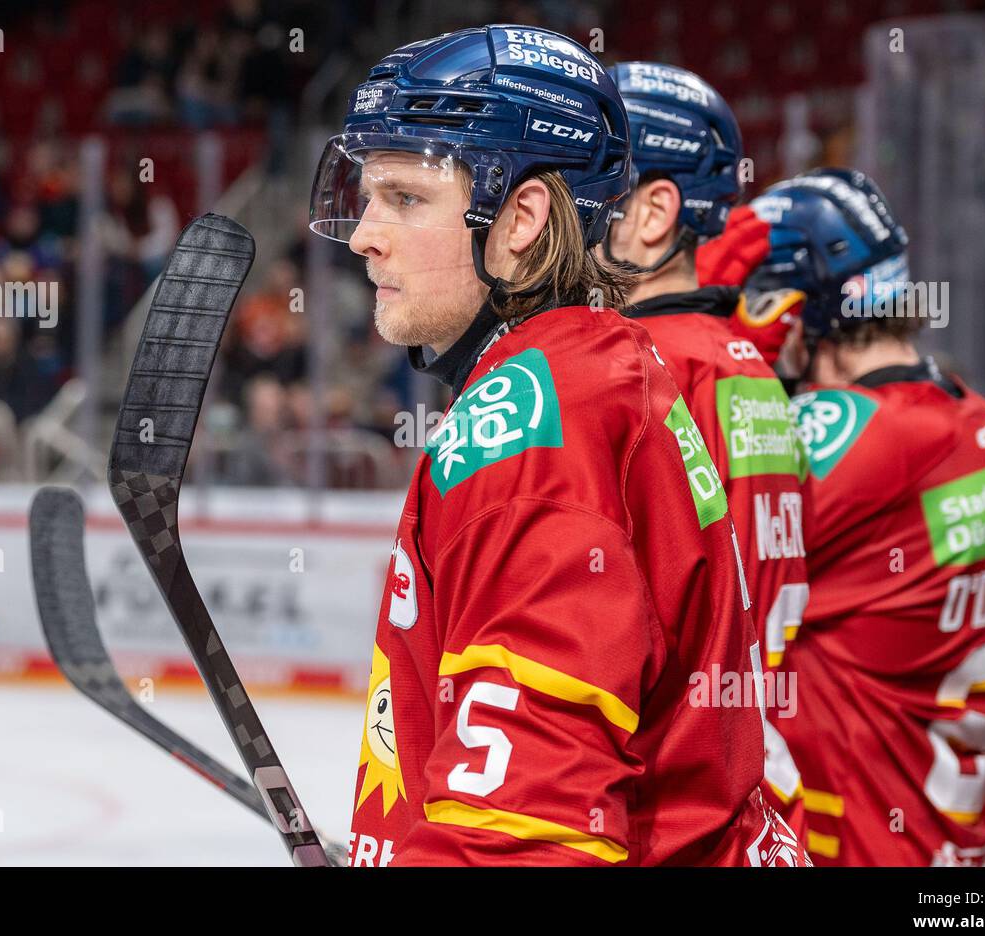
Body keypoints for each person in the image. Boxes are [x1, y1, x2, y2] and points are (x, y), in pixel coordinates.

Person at [308, 25, 804, 866]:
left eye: (405, 198)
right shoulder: (602, 362)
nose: (364, 234)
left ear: (520, 217)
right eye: (367, 195)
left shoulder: (533, 420)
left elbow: (528, 832)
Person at [744, 167, 985, 865]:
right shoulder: (983, 423)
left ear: (803, 308)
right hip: (948, 838)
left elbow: (691, 540)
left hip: (862, 838)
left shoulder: (855, 435)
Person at [600, 61, 811, 837]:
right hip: (748, 797)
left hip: (663, 813)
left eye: (588, 185)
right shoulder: (742, 364)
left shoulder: (636, 369)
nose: (551, 213)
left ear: (655, 213)